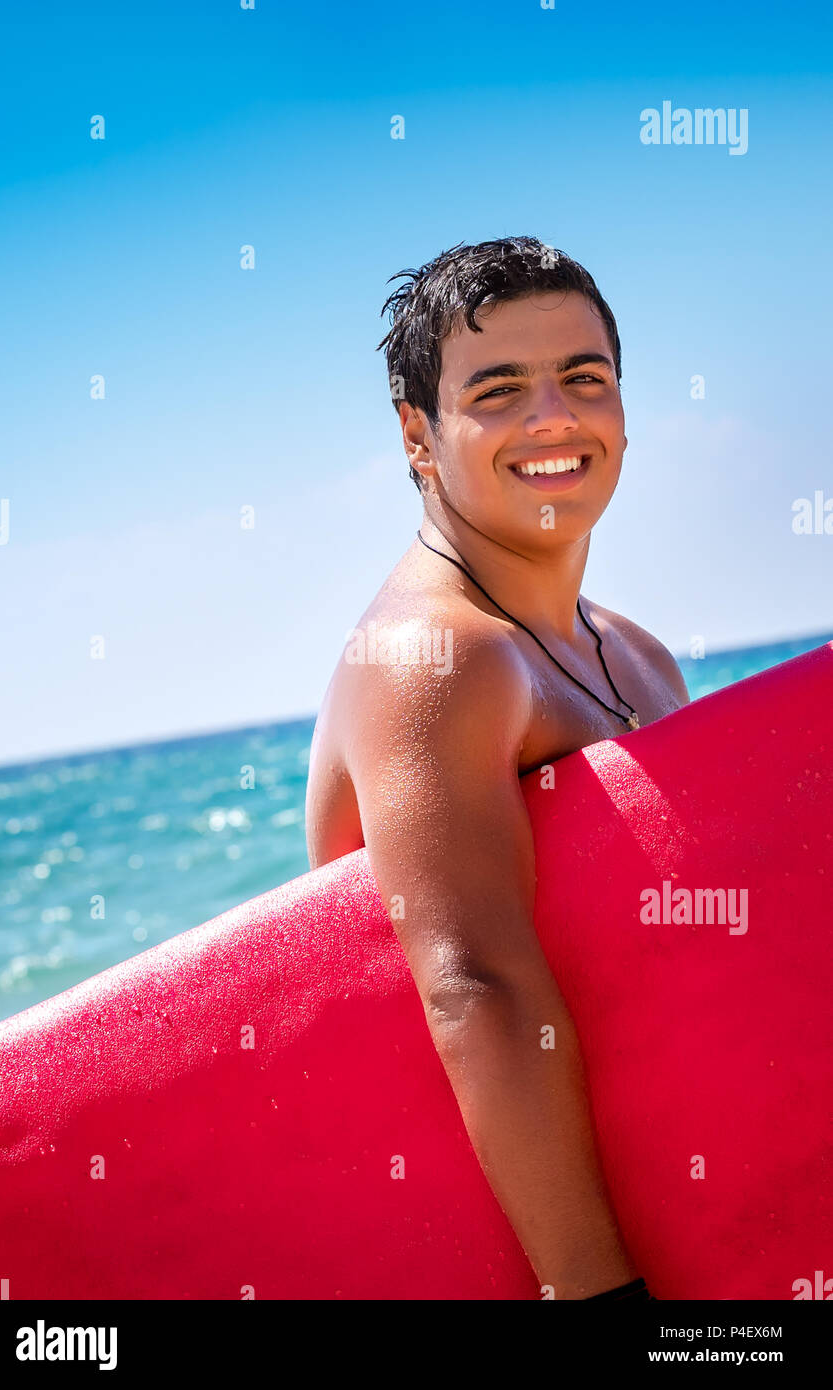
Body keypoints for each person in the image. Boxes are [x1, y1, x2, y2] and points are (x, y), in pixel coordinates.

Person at [304, 236, 689, 1299]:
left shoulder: (639, 652)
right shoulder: (434, 655)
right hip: (526, 1252)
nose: (552, 417)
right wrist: (598, 1295)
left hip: (670, 1198)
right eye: (499, 389)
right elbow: (473, 986)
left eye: (583, 378)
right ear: (419, 435)